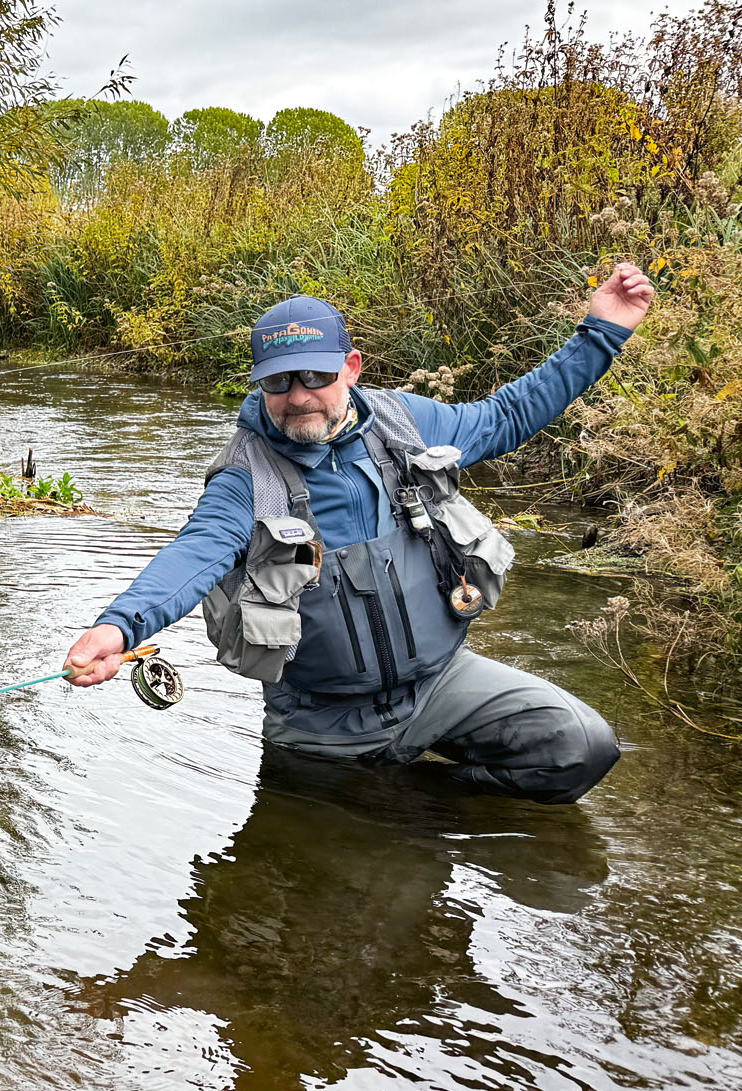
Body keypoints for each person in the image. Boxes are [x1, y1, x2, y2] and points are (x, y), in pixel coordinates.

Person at [62, 263, 655, 803]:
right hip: (319, 723)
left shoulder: (406, 425)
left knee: (580, 747)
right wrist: (118, 626)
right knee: (350, 852)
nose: (297, 398)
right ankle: (389, 812)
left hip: (440, 682)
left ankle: (419, 805)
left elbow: (508, 415)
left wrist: (601, 333)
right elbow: (197, 552)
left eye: (314, 376)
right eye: (277, 383)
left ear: (351, 368)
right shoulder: (245, 476)